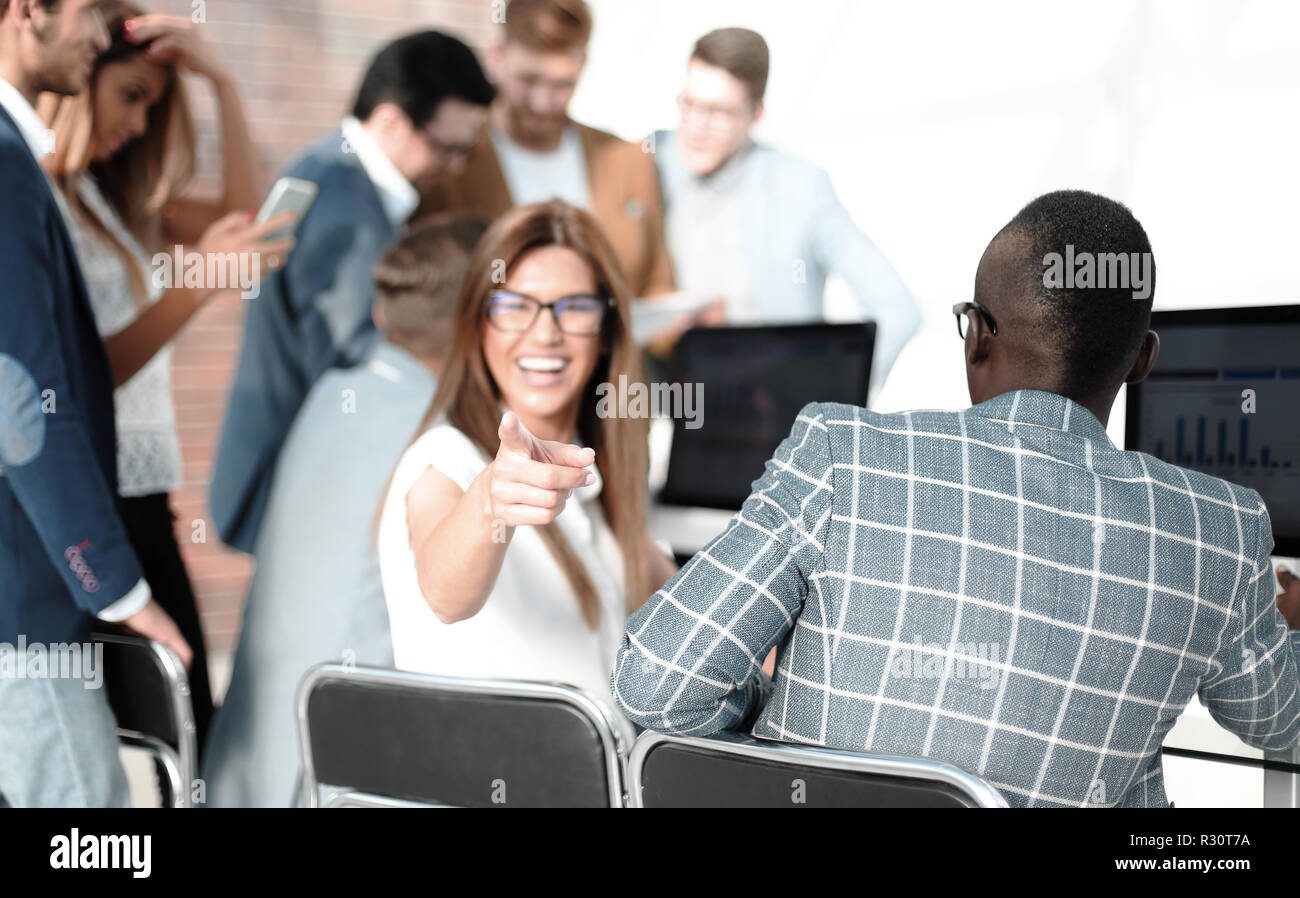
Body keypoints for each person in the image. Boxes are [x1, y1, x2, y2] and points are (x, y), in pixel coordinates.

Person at [612, 189, 1300, 808]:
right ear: (1144, 360)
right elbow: (1281, 720)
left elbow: (658, 684)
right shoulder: (1221, 532)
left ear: (975, 336)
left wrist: (783, 727)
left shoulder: (841, 452)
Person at [41, 0, 286, 758]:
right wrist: (199, 283)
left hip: (149, 498)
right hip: (93, 502)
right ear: (84, 76)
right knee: (146, 728)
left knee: (187, 724)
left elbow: (253, 221)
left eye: (153, 104)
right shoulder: (37, 201)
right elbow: (88, 369)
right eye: (131, 96)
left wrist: (222, 84)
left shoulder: (116, 205)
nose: (140, 125)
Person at [203, 215, 486, 808]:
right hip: (339, 775)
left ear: (382, 315)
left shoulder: (332, 394)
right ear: (482, 325)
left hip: (241, 768)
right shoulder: (444, 441)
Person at [378, 199, 677, 738]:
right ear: (479, 325)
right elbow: (445, 594)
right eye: (515, 306)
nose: (544, 334)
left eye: (575, 308)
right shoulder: (446, 460)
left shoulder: (602, 490)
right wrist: (490, 501)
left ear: (607, 332)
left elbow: (696, 619)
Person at [0, 0, 190, 808]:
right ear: (25, 12)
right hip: (24, 614)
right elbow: (20, 403)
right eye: (91, 15)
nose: (100, 38)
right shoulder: (3, 161)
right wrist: (119, 590)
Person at [210, 29, 494, 552]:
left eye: (465, 152)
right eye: (446, 148)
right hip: (298, 482)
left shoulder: (325, 168)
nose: (454, 167)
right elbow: (361, 361)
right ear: (389, 119)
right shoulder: (345, 207)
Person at [651, 27, 920, 387]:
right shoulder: (651, 162)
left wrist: (828, 408)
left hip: (773, 416)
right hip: (676, 409)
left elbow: (897, 309)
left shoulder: (800, 186)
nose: (697, 126)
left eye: (719, 112)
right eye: (689, 104)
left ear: (756, 113)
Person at [420, 0, 674, 303]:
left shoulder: (628, 159)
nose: (542, 102)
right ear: (496, 56)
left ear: (582, 65)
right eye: (528, 79)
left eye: (562, 84)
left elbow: (658, 282)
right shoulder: (451, 164)